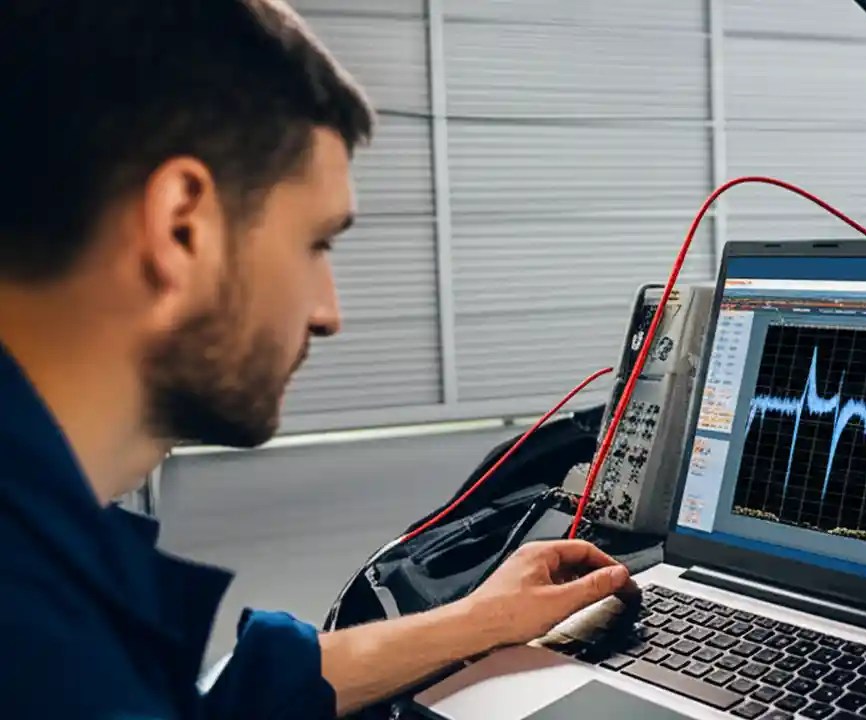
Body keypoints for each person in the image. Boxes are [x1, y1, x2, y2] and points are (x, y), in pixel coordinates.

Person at [0, 1, 634, 717]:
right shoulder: (36, 645)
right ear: (182, 228)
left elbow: (222, 704)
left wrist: (484, 619)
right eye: (316, 244)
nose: (328, 312)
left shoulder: (45, 567)